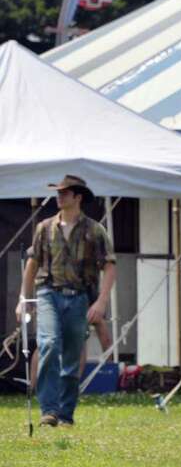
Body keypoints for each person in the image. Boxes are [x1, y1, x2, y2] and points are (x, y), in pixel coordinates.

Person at [14, 175, 116, 428]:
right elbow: (32, 264)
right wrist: (23, 299)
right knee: (49, 343)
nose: (59, 197)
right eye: (58, 193)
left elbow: (110, 266)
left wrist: (101, 302)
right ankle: (48, 410)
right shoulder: (44, 228)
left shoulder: (94, 230)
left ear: (77, 197)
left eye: (64, 193)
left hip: (80, 297)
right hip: (48, 293)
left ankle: (66, 413)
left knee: (71, 358)